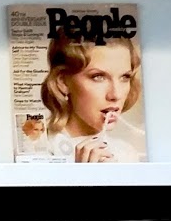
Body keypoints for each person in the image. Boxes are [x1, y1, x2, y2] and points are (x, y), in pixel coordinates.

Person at [39, 29, 145, 163]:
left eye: (125, 77)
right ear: (63, 82)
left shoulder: (126, 154)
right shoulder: (36, 151)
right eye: (98, 77)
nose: (116, 95)